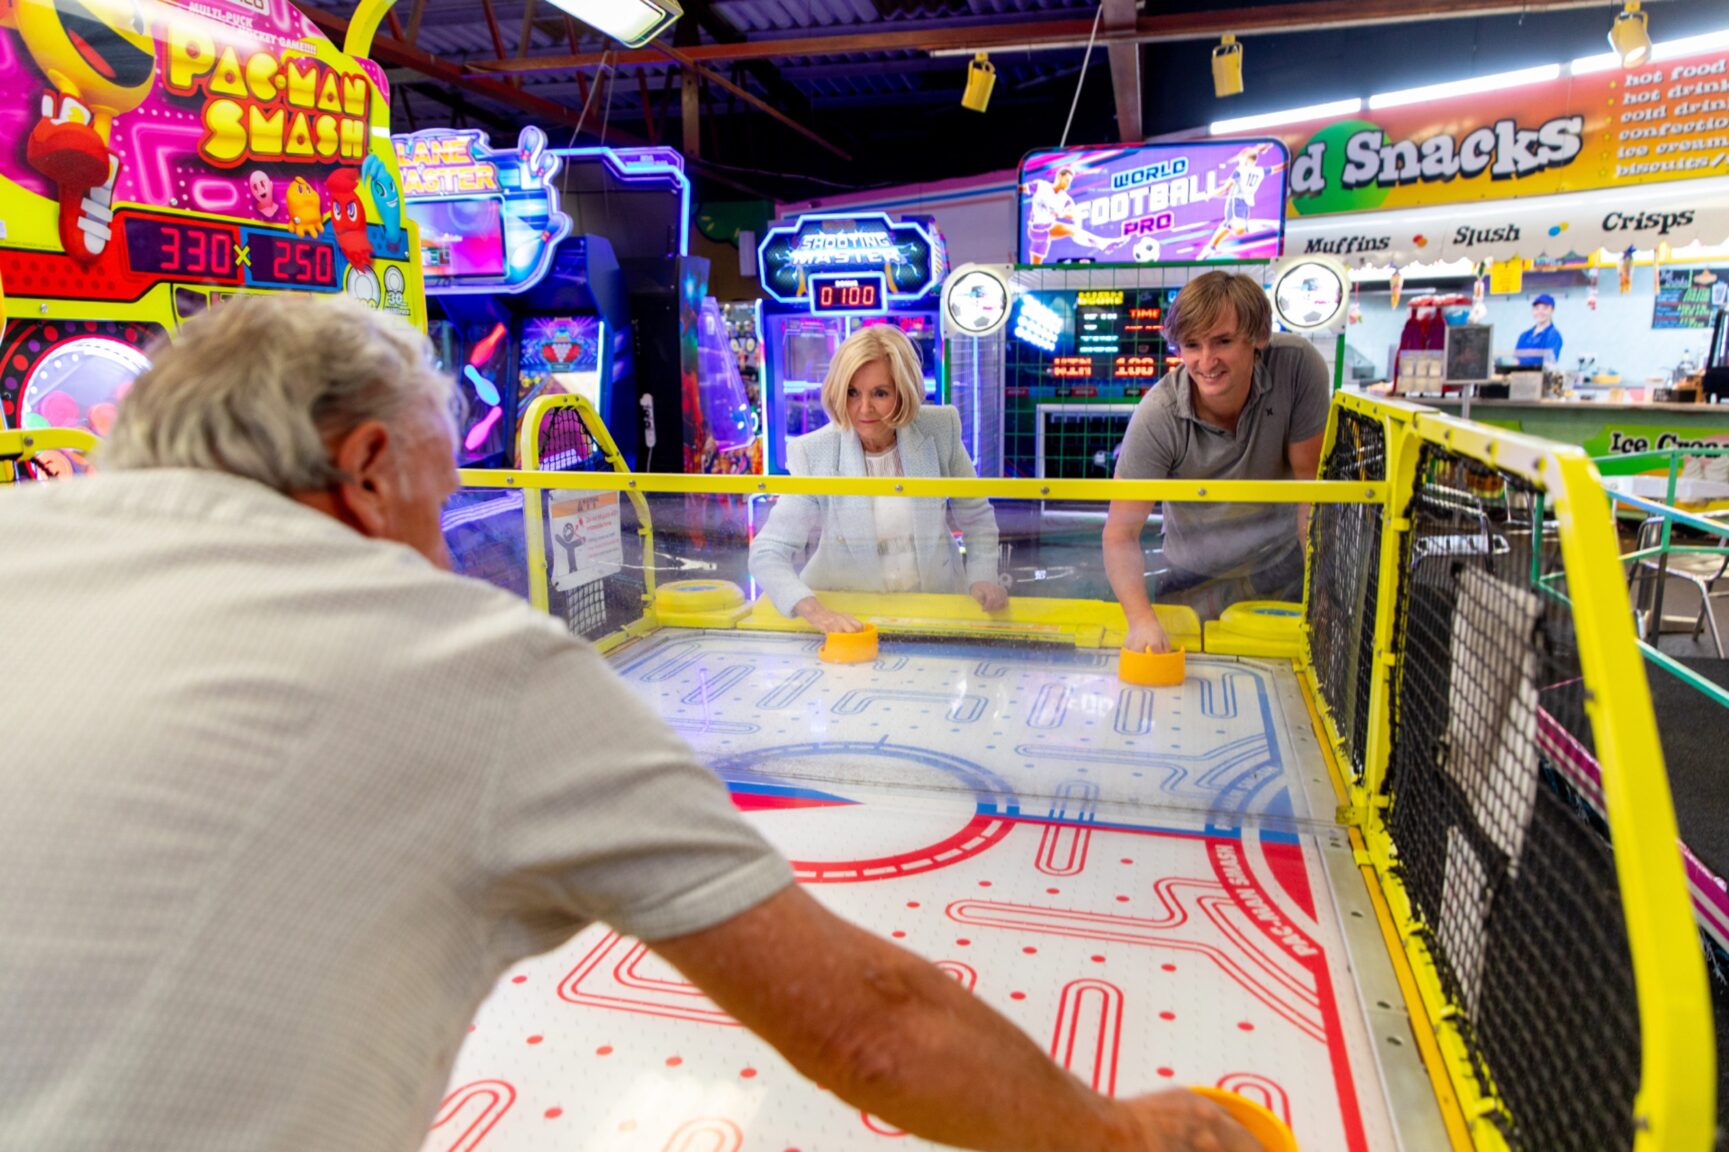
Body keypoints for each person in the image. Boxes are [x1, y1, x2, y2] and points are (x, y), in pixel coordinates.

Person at [0, 294, 1253, 1152]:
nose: (442, 548)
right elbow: (870, 1023)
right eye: (443, 500)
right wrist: (1119, 1134)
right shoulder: (462, 662)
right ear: (370, 469)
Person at [1104, 271, 1330, 654]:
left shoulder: (1297, 365)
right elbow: (1119, 534)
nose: (1206, 361)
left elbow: (1310, 494)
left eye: (1223, 341)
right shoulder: (1159, 414)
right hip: (1192, 578)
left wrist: (1323, 587)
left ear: (1259, 336)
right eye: (1192, 345)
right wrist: (1141, 621)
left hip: (1280, 567)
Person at [750, 323, 1007, 634]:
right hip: (849, 615)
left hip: (935, 608)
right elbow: (767, 552)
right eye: (852, 392)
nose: (864, 408)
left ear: (903, 391)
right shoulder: (814, 452)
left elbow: (977, 516)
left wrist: (982, 577)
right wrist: (816, 612)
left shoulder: (941, 428)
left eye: (880, 393)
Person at [1513, 293, 1563, 368]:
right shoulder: (1524, 335)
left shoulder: (1553, 335)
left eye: (1545, 308)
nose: (1540, 312)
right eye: (1537, 308)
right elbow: (1516, 361)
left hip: (1539, 375)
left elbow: (1549, 364)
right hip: (1520, 374)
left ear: (1552, 310)